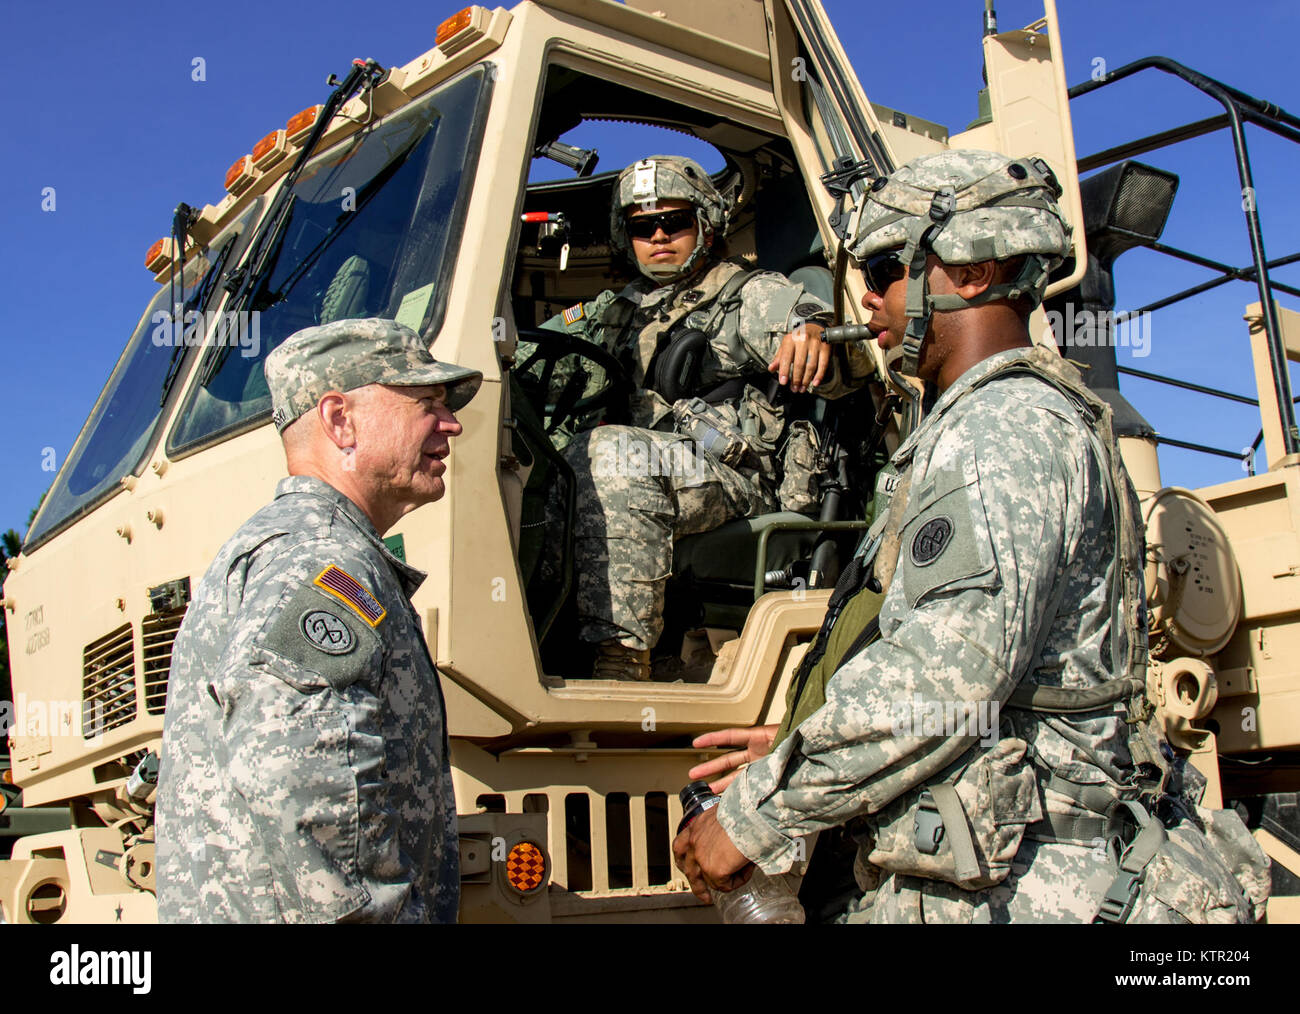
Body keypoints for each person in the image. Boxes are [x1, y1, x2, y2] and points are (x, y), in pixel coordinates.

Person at [673, 150, 1269, 923]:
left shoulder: (1003, 428)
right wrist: (808, 740)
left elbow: (947, 677)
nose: (864, 293)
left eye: (887, 265)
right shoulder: (999, 421)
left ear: (975, 272)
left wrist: (758, 812)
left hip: (1029, 887)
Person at [154, 317, 481, 923]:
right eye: (426, 402)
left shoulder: (305, 549)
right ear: (339, 420)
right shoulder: (321, 557)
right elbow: (307, 777)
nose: (452, 423)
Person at [540, 155, 842, 680]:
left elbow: (809, 327)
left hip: (733, 473)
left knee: (613, 454)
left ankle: (622, 663)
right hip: (647, 467)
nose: (658, 235)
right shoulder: (615, 310)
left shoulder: (743, 293)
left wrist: (810, 333)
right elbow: (535, 354)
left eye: (673, 221)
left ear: (705, 222)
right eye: (641, 226)